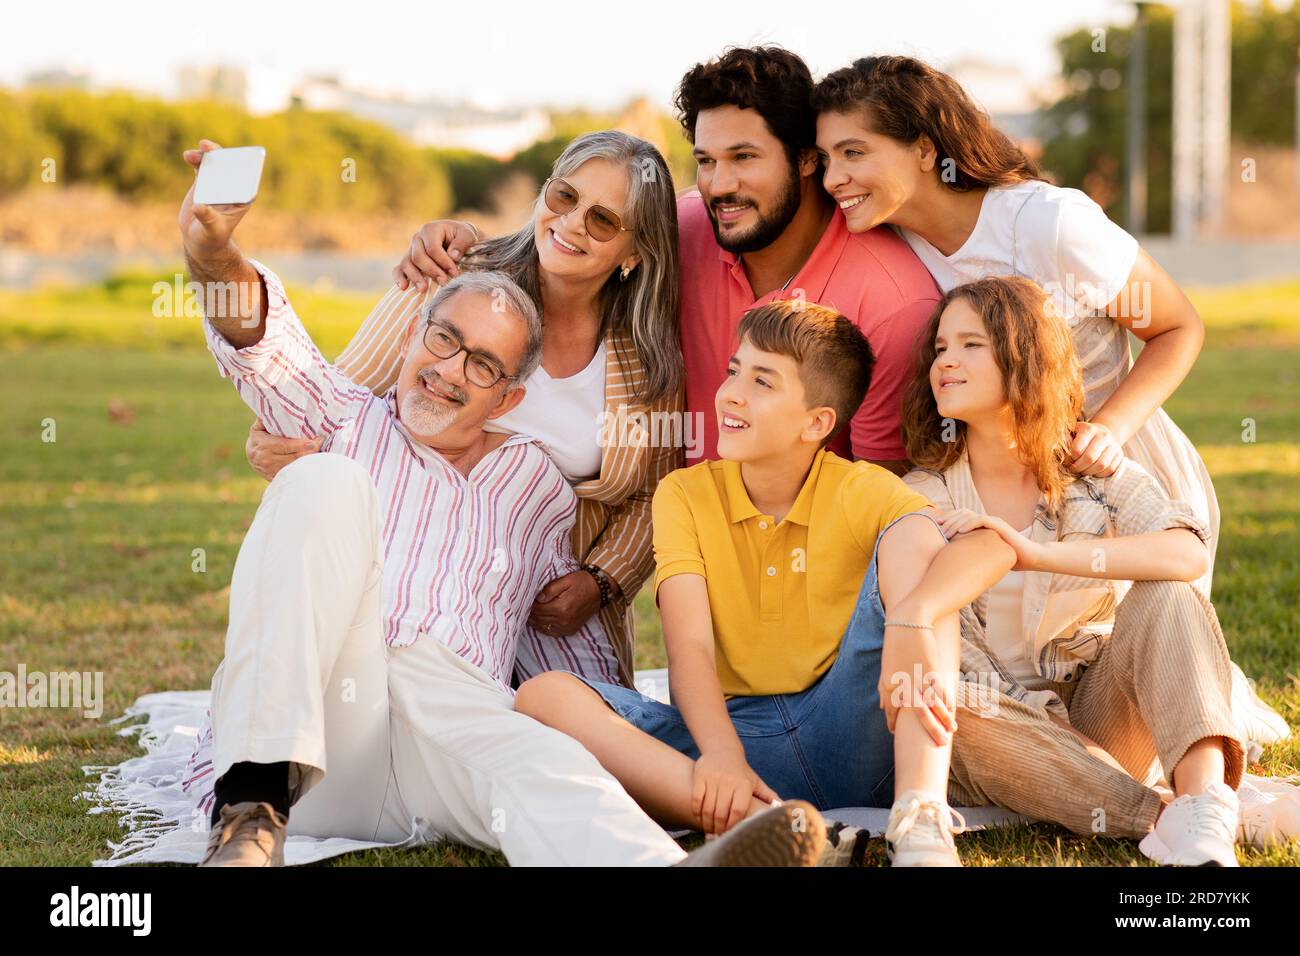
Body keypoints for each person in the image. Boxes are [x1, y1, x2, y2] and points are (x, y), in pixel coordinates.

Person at [178, 138, 825, 867]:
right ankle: (248, 815)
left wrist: (599, 618)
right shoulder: (350, 422)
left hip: (442, 749)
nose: (448, 373)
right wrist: (211, 249)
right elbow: (270, 346)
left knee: (531, 747)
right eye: (442, 342)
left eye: (481, 364)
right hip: (320, 747)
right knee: (322, 487)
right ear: (411, 334)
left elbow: (576, 599)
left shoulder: (538, 488)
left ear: (512, 398)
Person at [810, 53, 1291, 754]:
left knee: (1135, 673)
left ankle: (1182, 780)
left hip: (1108, 466)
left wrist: (1109, 430)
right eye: (824, 158)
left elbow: (1178, 326)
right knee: (1016, 669)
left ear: (923, 147)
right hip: (1000, 479)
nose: (833, 178)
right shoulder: (889, 242)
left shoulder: (1048, 224)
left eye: (853, 152)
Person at [515, 299, 1021, 867]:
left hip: (853, 729)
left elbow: (991, 544)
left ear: (817, 423)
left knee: (917, 541)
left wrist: (913, 617)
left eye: (762, 381)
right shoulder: (684, 495)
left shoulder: (860, 488)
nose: (731, 392)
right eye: (734, 370)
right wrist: (723, 757)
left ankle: (920, 818)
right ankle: (768, 826)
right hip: (738, 742)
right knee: (543, 696)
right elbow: (689, 650)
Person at [244, 131, 686, 690]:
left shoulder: (647, 359)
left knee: (587, 748)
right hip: (407, 582)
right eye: (563, 196)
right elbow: (334, 401)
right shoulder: (452, 275)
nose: (571, 223)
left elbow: (653, 494)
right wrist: (275, 444)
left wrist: (601, 582)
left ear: (636, 252)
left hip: (554, 609)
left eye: (602, 220)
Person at [387, 46, 942, 473]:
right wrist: (465, 238)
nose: (720, 185)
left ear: (803, 159)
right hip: (694, 554)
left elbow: (878, 497)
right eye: (705, 160)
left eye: (744, 157)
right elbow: (574, 236)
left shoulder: (893, 302)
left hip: (814, 575)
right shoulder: (690, 225)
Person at [898, 275, 1298, 865]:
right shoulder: (925, 498)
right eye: (940, 349)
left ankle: (1205, 801)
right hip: (1005, 738)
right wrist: (1071, 751)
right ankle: (1166, 812)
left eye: (970, 345)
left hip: (1101, 711)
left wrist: (1034, 553)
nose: (946, 363)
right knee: (952, 699)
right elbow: (961, 665)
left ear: (1024, 357)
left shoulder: (1093, 471)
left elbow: (1187, 551)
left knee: (1169, 595)